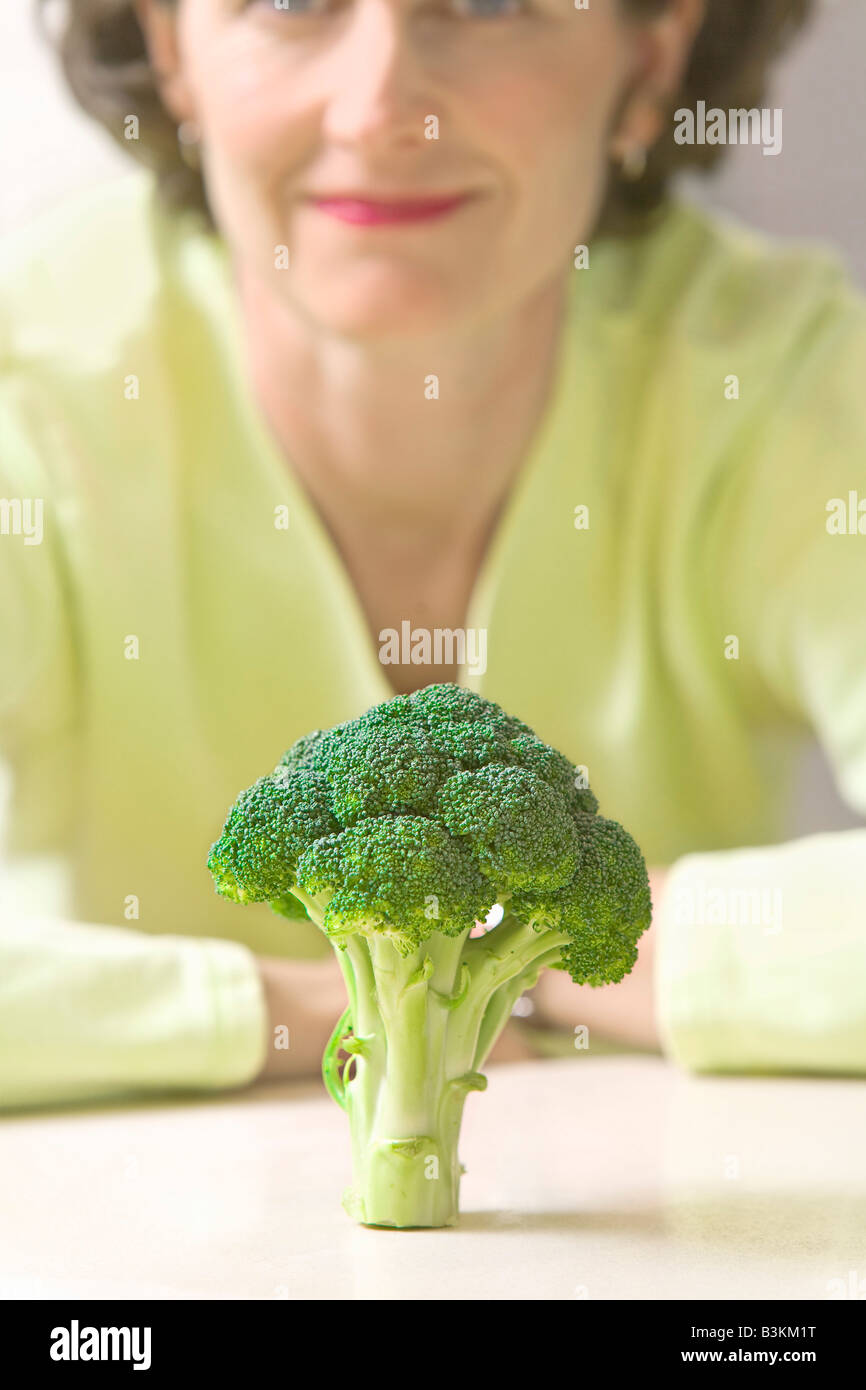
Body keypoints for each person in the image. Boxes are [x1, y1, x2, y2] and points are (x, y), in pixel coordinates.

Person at [1, 0, 864, 1110]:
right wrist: (273, 1003)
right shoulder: (35, 387)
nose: (380, 109)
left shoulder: (782, 384)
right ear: (172, 50)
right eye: (288, 2)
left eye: (490, 3)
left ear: (652, 55)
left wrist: (544, 955)